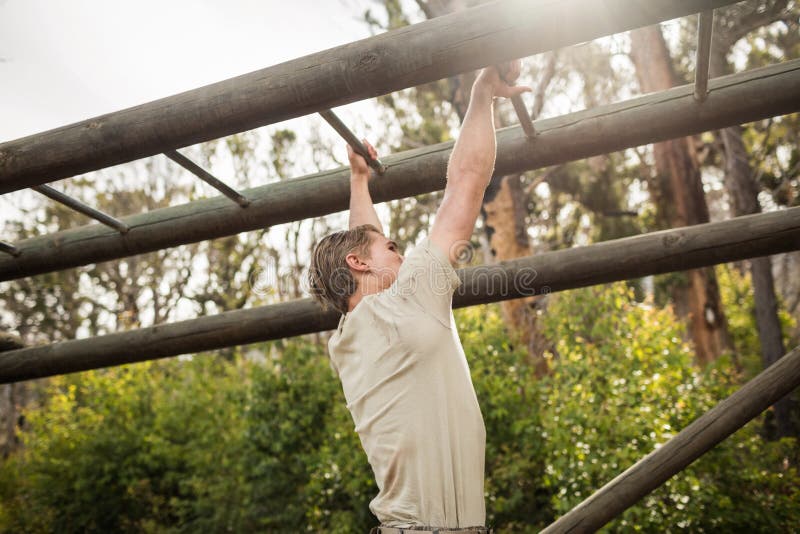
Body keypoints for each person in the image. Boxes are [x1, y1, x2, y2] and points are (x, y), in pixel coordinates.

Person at [308, 61, 530, 533]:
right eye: (393, 249)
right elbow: (466, 180)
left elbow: (364, 243)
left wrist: (359, 180)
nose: (404, 255)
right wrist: (482, 93)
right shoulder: (410, 299)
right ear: (359, 265)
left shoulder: (347, 341)